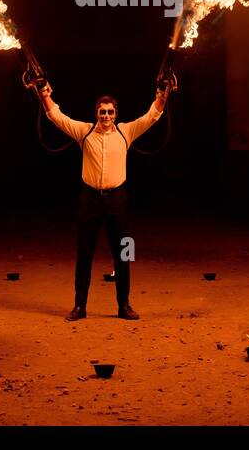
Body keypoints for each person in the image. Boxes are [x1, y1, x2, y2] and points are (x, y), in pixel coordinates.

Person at [39, 82, 168, 321]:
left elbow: (152, 116)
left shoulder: (125, 132)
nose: (106, 116)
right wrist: (44, 93)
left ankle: (124, 306)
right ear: (96, 113)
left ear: (116, 114)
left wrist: (163, 94)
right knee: (84, 253)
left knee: (123, 254)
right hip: (89, 199)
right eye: (102, 111)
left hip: (117, 199)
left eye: (110, 112)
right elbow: (56, 116)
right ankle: (79, 306)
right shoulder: (84, 132)